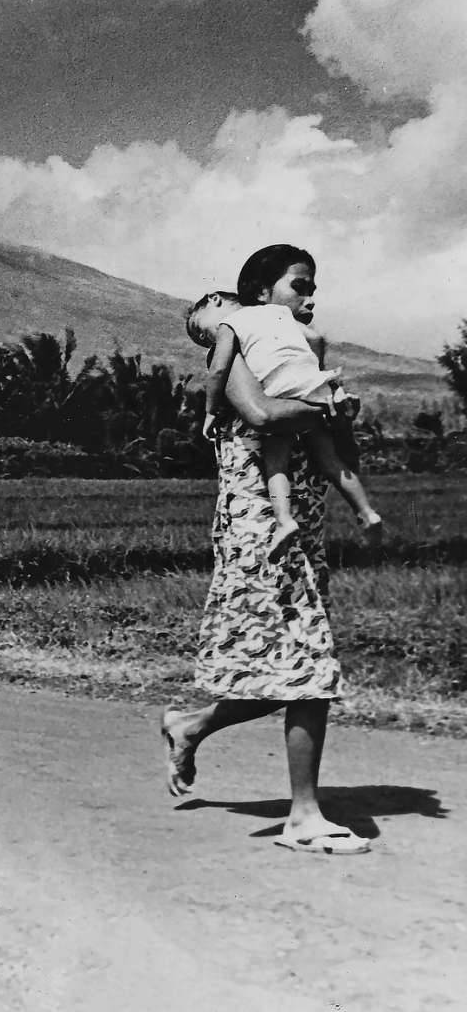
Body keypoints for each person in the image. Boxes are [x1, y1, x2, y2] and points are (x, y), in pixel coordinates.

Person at [162, 245, 371, 856]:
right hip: (261, 528)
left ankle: (191, 725)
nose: (309, 296)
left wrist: (339, 414)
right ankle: (303, 817)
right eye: (299, 285)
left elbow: (341, 453)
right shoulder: (233, 355)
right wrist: (326, 402)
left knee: (290, 663)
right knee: (308, 664)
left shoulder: (298, 356)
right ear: (258, 295)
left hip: (302, 525)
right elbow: (260, 414)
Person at [188, 269, 382, 559]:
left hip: (282, 396)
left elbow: (218, 372)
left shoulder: (230, 325)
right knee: (331, 461)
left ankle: (284, 520)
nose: (208, 340)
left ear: (214, 299)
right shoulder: (277, 313)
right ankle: (366, 512)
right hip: (315, 387)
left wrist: (210, 411)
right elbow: (315, 338)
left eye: (202, 332)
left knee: (275, 465)